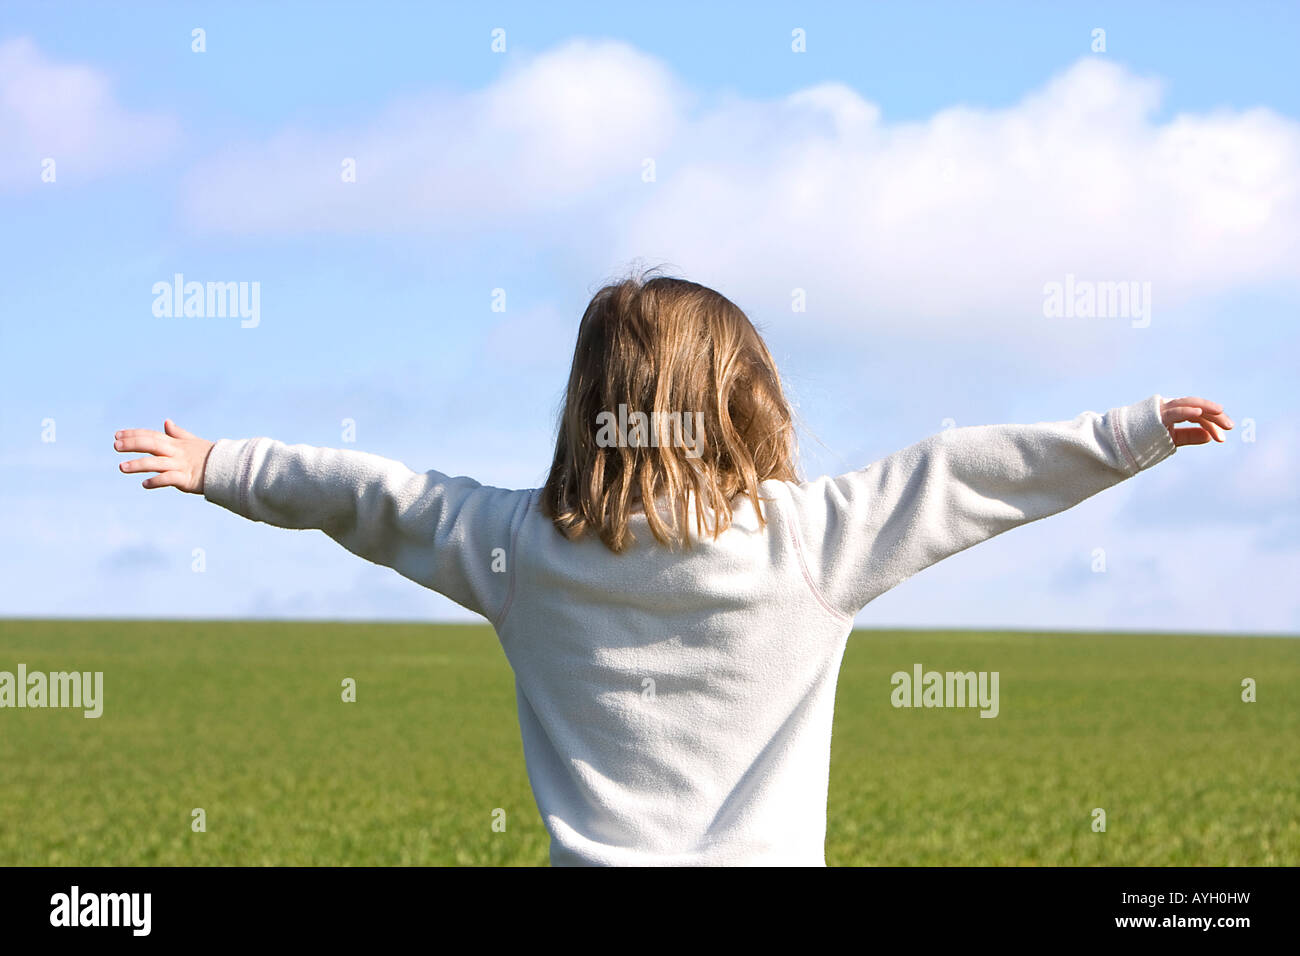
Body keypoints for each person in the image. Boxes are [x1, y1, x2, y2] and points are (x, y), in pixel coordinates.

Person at [114, 271, 1232, 865]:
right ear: (750, 401)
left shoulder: (519, 550)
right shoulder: (814, 543)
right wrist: (1129, 428)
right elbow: (967, 474)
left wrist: (222, 462)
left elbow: (371, 495)